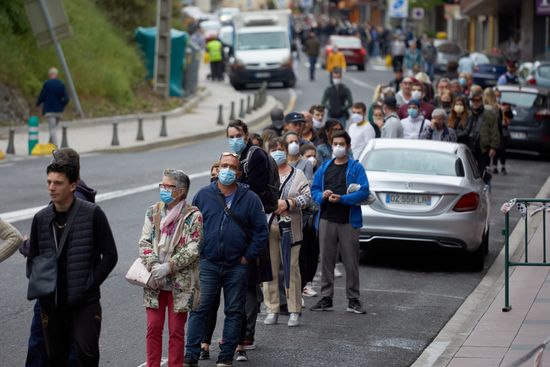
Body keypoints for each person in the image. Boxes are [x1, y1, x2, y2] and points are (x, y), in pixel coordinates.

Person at [27, 158, 117, 366]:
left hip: (84, 303)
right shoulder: (41, 218)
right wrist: (40, 283)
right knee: (55, 358)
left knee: (87, 356)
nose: (51, 188)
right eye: (49, 182)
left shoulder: (92, 214)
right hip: (51, 304)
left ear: (73, 185)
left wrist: (90, 284)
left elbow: (110, 255)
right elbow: (33, 257)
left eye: (58, 183)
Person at [184, 153, 268, 367]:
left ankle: (225, 356)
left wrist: (248, 257)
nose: (227, 170)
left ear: (239, 173)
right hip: (208, 263)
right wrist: (199, 254)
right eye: (224, 166)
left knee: (234, 311)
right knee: (199, 309)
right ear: (217, 168)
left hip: (236, 266)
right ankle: (191, 354)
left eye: (232, 167)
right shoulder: (203, 195)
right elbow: (192, 228)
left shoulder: (251, 199)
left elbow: (261, 232)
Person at [139, 169, 202, 367]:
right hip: (154, 280)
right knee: (153, 328)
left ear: (181, 191)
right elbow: (144, 242)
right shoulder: (153, 211)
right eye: (162, 186)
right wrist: (154, 265)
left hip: (179, 283)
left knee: (176, 331)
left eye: (168, 186)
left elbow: (193, 248)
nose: (163, 189)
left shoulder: (193, 215)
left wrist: (169, 266)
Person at [309, 131, 369, 314]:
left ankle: (353, 300)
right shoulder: (325, 167)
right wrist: (323, 196)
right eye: (335, 144)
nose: (338, 147)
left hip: (348, 221)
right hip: (327, 219)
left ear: (348, 146)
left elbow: (364, 191)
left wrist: (342, 199)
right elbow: (315, 189)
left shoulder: (356, 168)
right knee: (326, 260)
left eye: (341, 144)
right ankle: (326, 298)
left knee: (351, 261)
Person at [263, 138, 311, 327]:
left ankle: (294, 309)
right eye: (273, 149)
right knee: (271, 269)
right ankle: (272, 309)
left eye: (280, 149)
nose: (277, 152)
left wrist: (289, 203)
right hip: (269, 227)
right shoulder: (264, 175)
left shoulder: (298, 174)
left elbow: (307, 198)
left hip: (291, 228)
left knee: (292, 268)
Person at [468, 87, 500, 181]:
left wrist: (493, 147)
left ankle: (486, 191)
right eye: (474, 100)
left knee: (484, 173)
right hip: (469, 147)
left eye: (478, 100)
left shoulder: (489, 114)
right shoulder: (468, 113)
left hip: (484, 148)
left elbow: (495, 131)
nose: (476, 102)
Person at [36, 67, 69, 147]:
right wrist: (62, 104)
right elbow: (66, 98)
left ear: (50, 74)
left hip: (50, 111)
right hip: (59, 111)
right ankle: (50, 144)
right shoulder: (61, 83)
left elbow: (42, 96)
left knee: (52, 129)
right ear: (56, 74)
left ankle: (55, 146)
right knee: (53, 128)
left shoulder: (47, 84)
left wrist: (38, 104)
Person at [483, 88, 508, 175]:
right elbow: (500, 123)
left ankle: (490, 167)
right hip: (496, 133)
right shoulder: (497, 108)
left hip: (485, 134)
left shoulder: (483, 108)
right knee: (497, 151)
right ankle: (497, 166)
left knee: (485, 158)